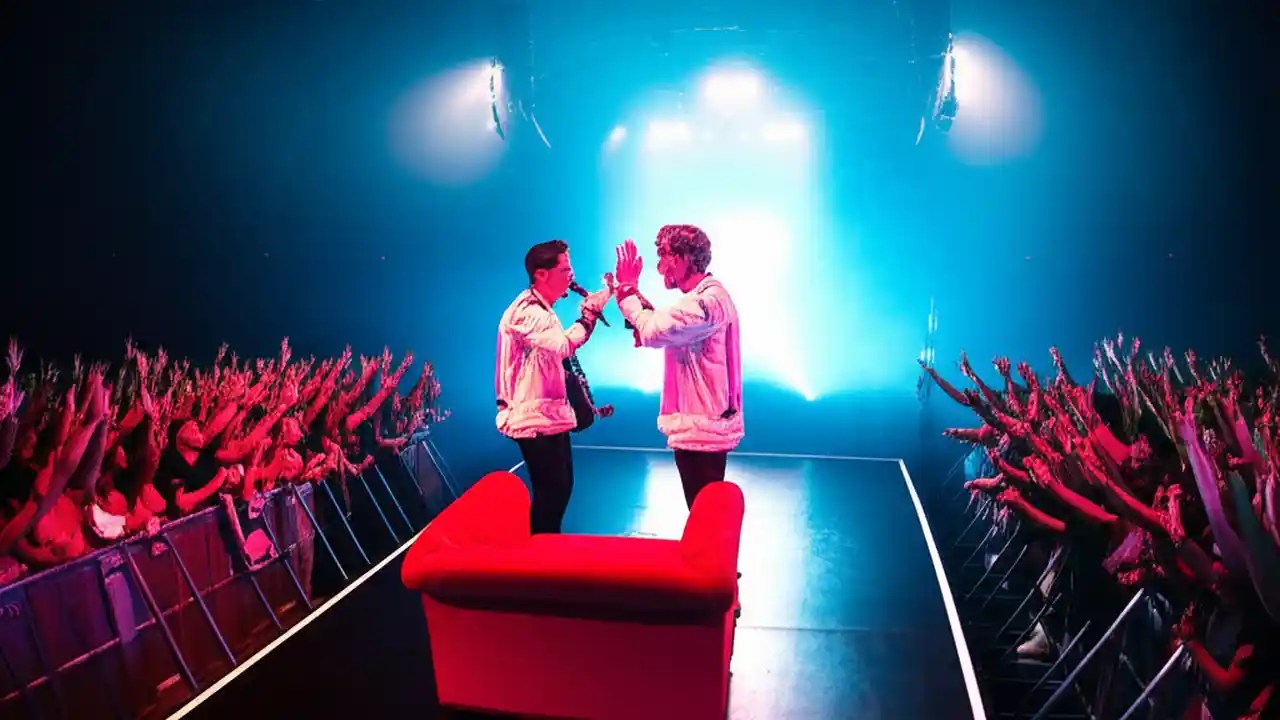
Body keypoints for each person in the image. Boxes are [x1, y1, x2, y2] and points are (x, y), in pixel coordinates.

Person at [613, 225, 743, 509]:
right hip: (703, 426)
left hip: (702, 428)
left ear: (683, 257)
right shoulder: (707, 299)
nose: (659, 268)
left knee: (703, 515)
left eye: (663, 257)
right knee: (703, 513)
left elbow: (654, 331)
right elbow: (662, 323)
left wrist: (625, 291)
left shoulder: (707, 302)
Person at [495, 239, 610, 533]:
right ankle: (538, 562)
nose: (571, 275)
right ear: (541, 273)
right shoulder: (526, 311)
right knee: (551, 494)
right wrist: (588, 316)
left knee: (559, 491)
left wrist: (607, 295)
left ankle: (545, 556)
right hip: (533, 418)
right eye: (565, 268)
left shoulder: (543, 309)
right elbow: (561, 346)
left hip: (548, 415)